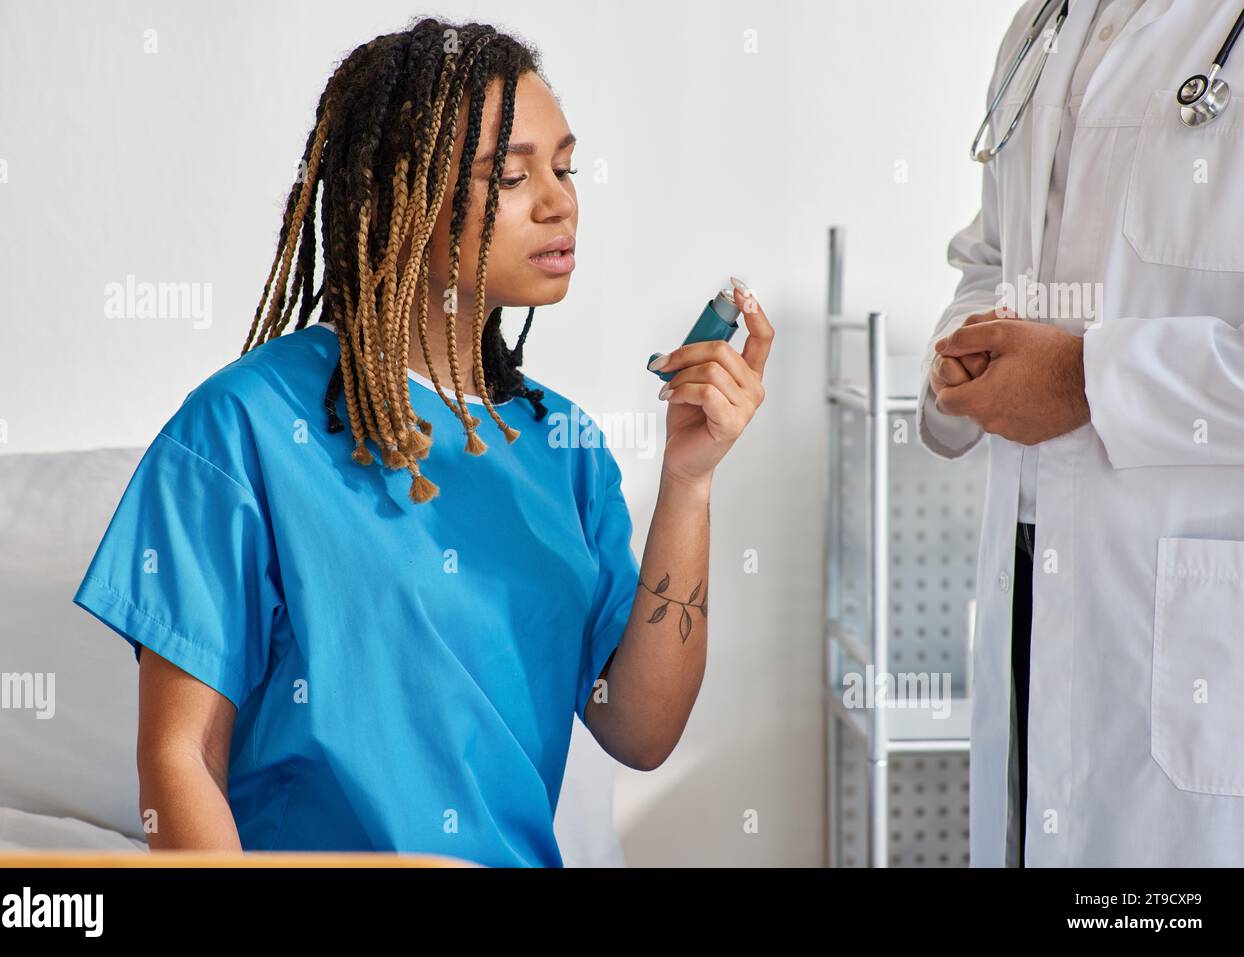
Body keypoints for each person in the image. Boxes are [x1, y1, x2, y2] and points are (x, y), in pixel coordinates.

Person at [73, 16, 771, 866]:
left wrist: (689, 482)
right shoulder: (242, 425)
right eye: (510, 176)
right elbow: (180, 755)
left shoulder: (567, 447)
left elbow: (642, 726)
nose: (559, 201)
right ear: (395, 195)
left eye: (565, 166)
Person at [920, 0, 1244, 867]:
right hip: (1036, 588)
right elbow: (991, 259)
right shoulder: (1044, 22)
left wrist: (1088, 381)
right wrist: (960, 360)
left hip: (1198, 616)